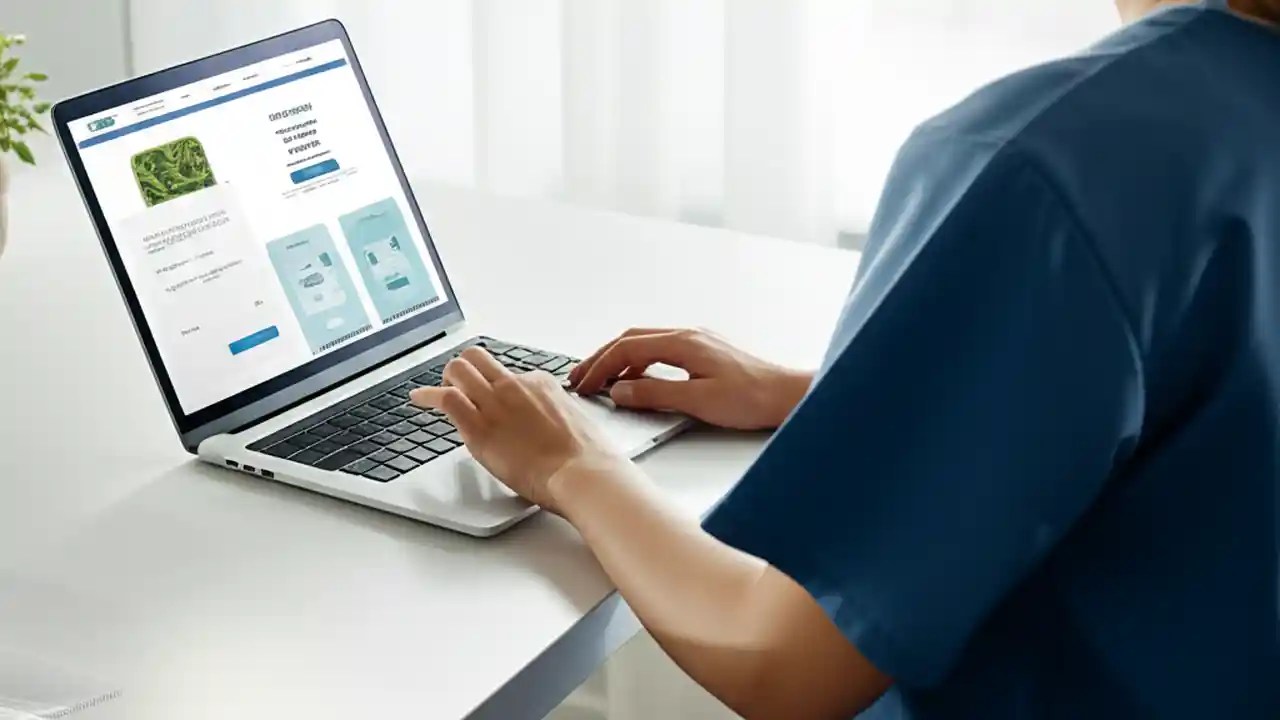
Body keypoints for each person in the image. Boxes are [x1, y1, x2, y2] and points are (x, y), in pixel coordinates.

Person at [412, 1, 1280, 717]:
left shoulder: (1050, 165)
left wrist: (571, 464)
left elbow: (782, 662)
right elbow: (1216, 428)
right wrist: (831, 396)